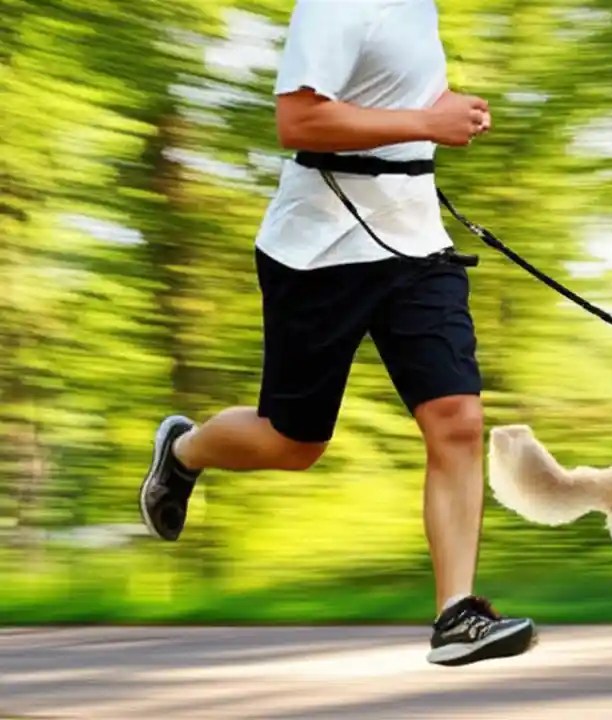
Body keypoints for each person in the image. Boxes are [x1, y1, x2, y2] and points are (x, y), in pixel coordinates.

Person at [136, 0, 537, 667]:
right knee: (294, 443)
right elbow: (298, 120)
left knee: (458, 419)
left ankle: (456, 615)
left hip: (414, 240)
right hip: (318, 248)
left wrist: (448, 109)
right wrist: (426, 122)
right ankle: (184, 451)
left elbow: (397, 94)